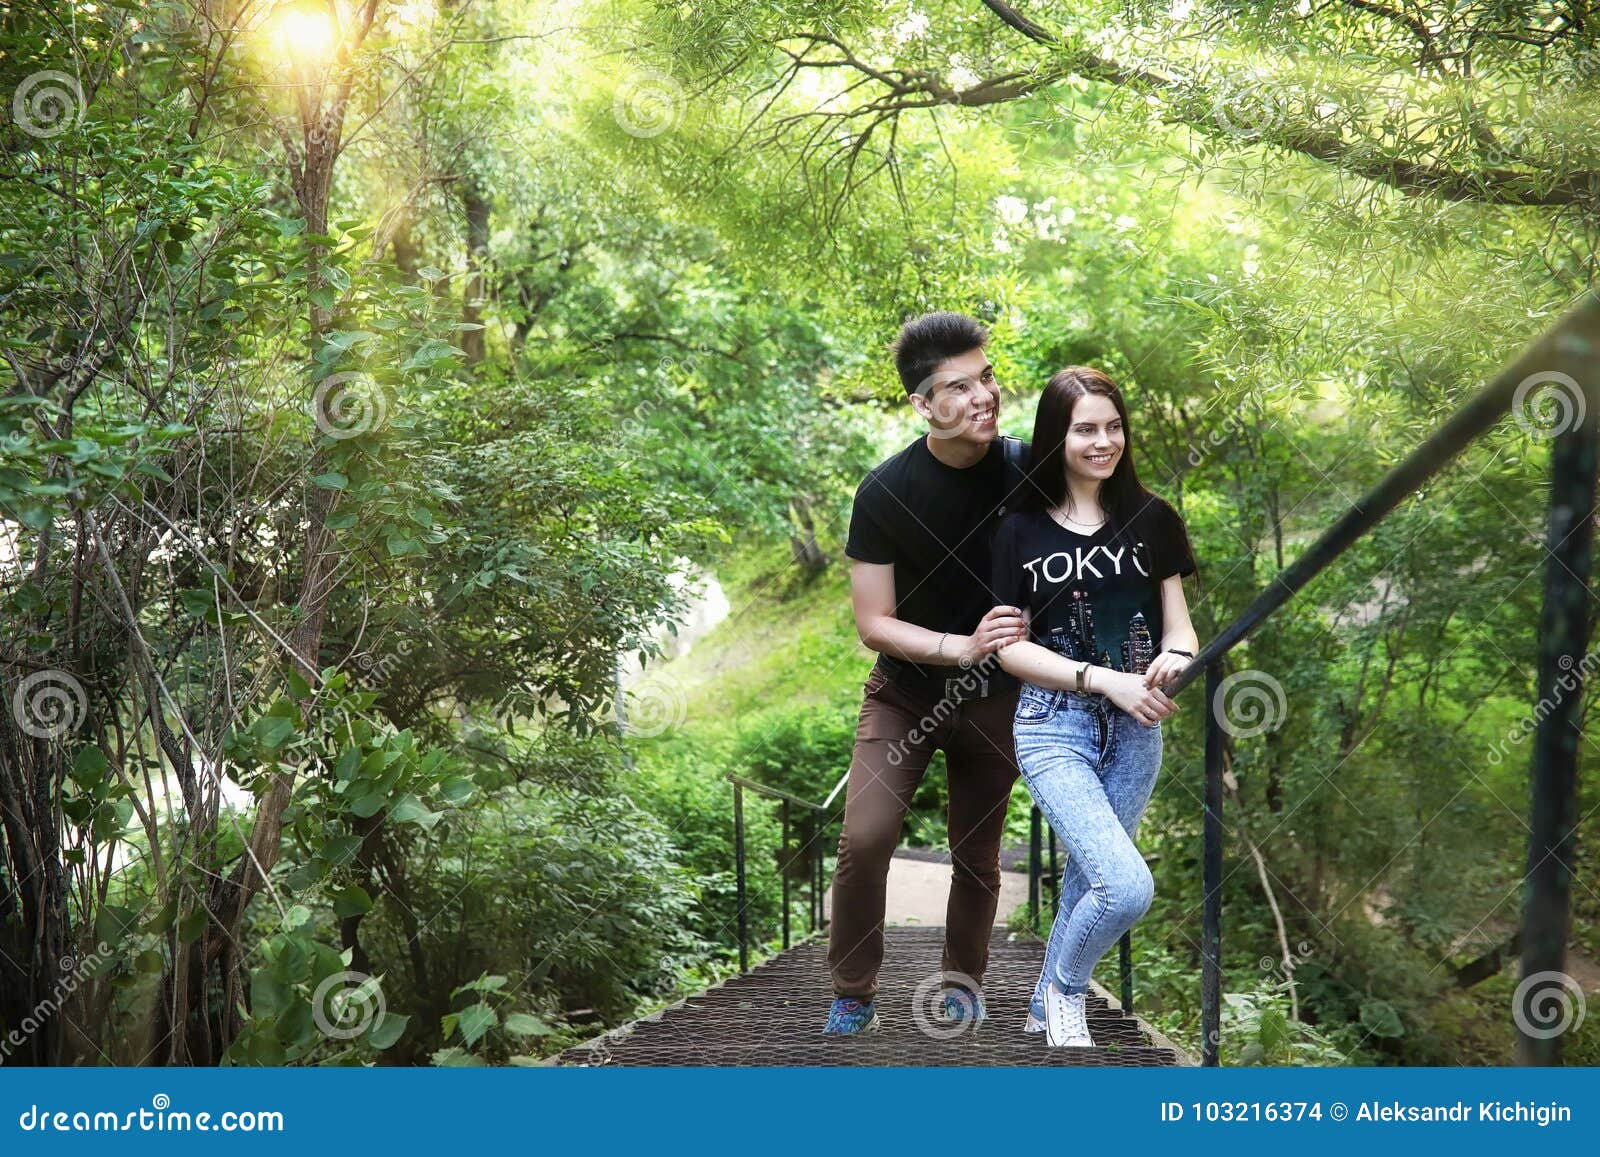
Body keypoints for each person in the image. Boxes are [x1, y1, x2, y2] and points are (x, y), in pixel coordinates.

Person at [823, 311, 1030, 1034]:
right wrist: (959, 645)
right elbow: (873, 622)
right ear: (921, 404)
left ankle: (962, 985)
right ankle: (853, 988)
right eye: (960, 386)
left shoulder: (1029, 468)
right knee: (867, 836)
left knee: (976, 851)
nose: (984, 396)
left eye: (988, 376)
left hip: (998, 698)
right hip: (905, 692)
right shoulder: (885, 492)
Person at [989, 365, 1200, 1048]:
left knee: (1089, 881)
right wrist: (1102, 679)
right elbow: (1010, 650)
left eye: (1114, 427)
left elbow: (1180, 627)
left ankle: (1044, 1013)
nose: (1103, 440)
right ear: (1058, 437)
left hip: (1139, 730)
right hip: (1054, 727)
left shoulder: (1153, 518)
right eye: (1086, 429)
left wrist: (1179, 657)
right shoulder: (1018, 530)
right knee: (1126, 886)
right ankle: (1068, 995)